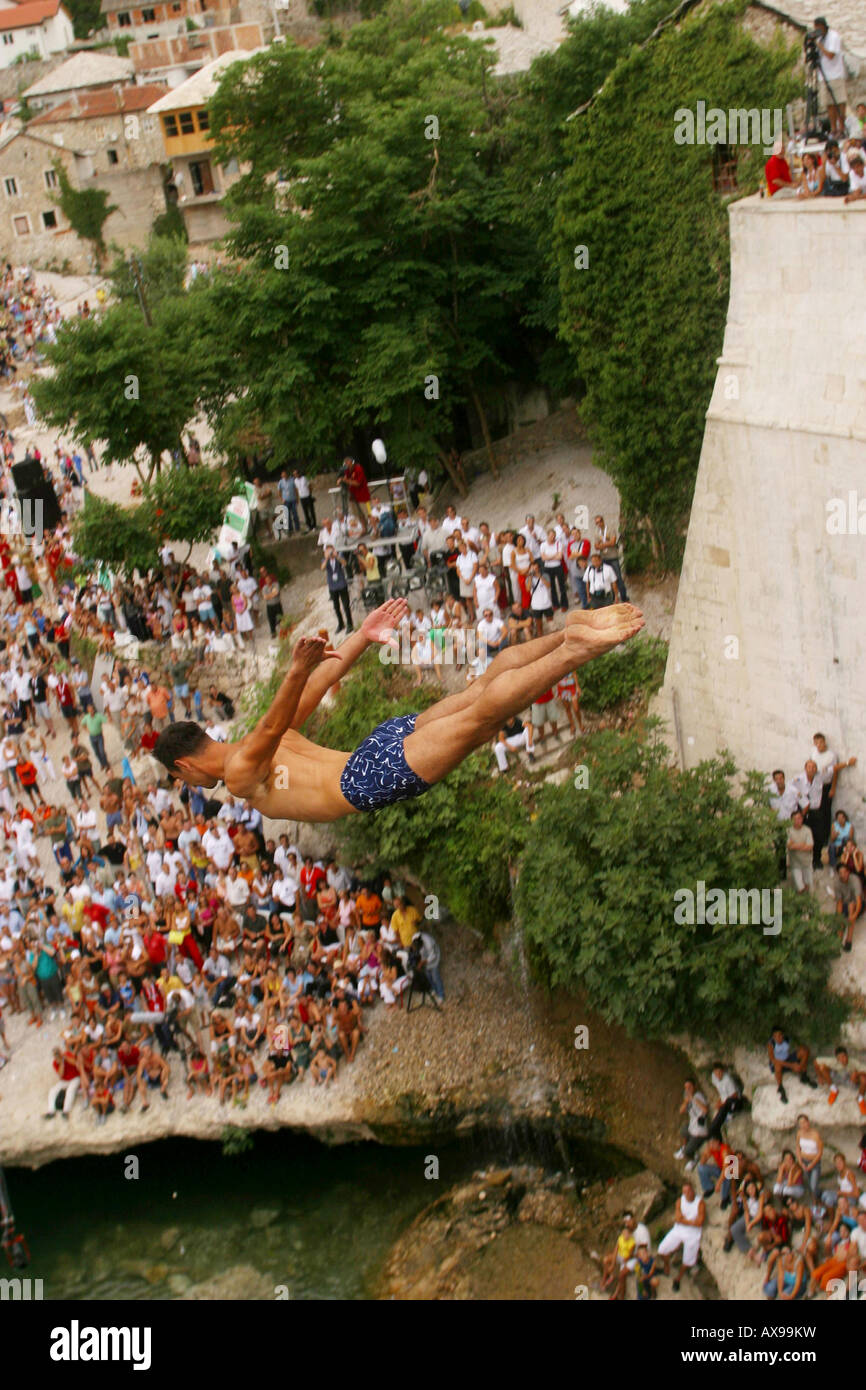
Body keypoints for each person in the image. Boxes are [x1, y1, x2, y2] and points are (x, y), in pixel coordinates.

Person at [153, 600, 645, 821]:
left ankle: (573, 650)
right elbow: (316, 686)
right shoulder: (253, 745)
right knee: (477, 695)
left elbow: (273, 719)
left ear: (185, 766)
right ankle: (564, 632)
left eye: (182, 780)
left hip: (368, 779)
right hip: (373, 749)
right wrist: (362, 638)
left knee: (482, 719)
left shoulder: (240, 773)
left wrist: (296, 669)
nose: (190, 786)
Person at [658, 1183, 705, 1291]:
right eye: (684, 1192)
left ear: (692, 1190)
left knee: (688, 1260)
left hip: (693, 1234)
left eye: (688, 1191)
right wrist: (691, 1221)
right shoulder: (680, 1201)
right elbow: (678, 1218)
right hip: (679, 1230)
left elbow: (700, 1222)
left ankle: (678, 1279)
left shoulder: (700, 1203)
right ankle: (667, 1267)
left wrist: (684, 1221)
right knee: (662, 1249)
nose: (687, 1194)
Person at [813, 17, 848, 139]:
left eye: (818, 28)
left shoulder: (833, 36)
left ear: (823, 26)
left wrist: (819, 45)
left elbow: (831, 55)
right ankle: (833, 129)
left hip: (836, 74)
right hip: (824, 76)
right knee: (829, 104)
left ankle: (841, 128)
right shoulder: (818, 38)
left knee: (839, 102)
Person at [322, 546, 353, 634]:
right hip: (332, 586)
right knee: (336, 607)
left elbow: (345, 563)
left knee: (346, 605)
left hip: (341, 584)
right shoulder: (325, 560)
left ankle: (350, 624)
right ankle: (341, 623)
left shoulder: (339, 556)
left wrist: (336, 556)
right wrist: (327, 558)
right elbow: (322, 568)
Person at [835, 861, 863, 952]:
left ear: (848, 872)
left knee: (851, 907)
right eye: (840, 873)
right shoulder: (837, 884)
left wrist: (854, 915)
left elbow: (858, 900)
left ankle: (849, 939)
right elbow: (839, 902)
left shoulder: (854, 880)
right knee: (841, 919)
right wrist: (839, 916)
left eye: (844, 872)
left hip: (856, 905)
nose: (843, 875)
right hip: (845, 904)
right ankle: (838, 941)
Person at [786, 810, 814, 893]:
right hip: (795, 863)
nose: (797, 821)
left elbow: (810, 847)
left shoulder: (807, 830)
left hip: (807, 861)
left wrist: (795, 845)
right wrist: (803, 845)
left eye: (799, 818)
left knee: (807, 884)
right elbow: (789, 846)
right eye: (795, 819)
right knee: (799, 887)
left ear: (802, 819)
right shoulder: (788, 830)